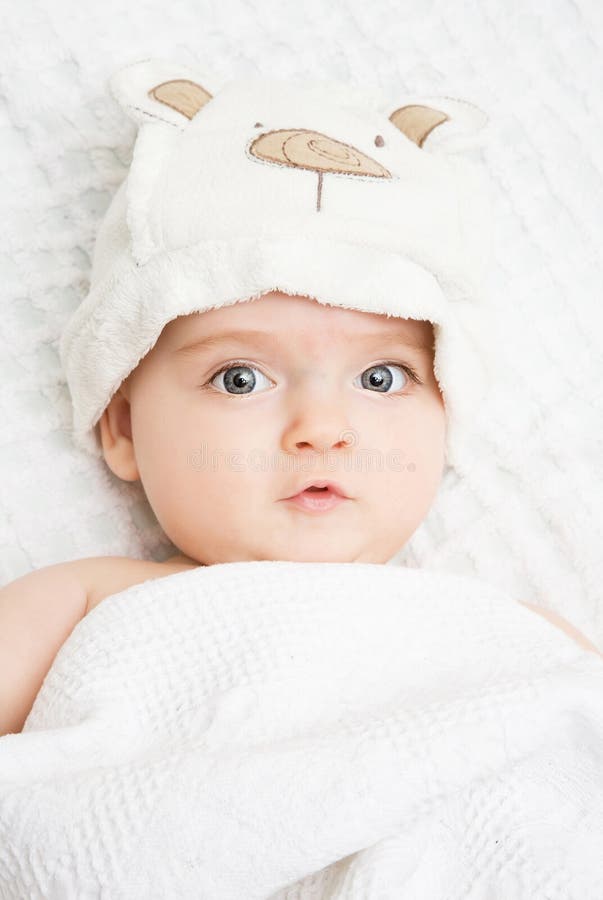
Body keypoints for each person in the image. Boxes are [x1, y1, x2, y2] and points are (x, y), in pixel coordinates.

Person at [1, 61, 599, 740]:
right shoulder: (87, 604)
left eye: (380, 378)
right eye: (240, 379)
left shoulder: (506, 636)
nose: (321, 429)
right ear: (123, 428)